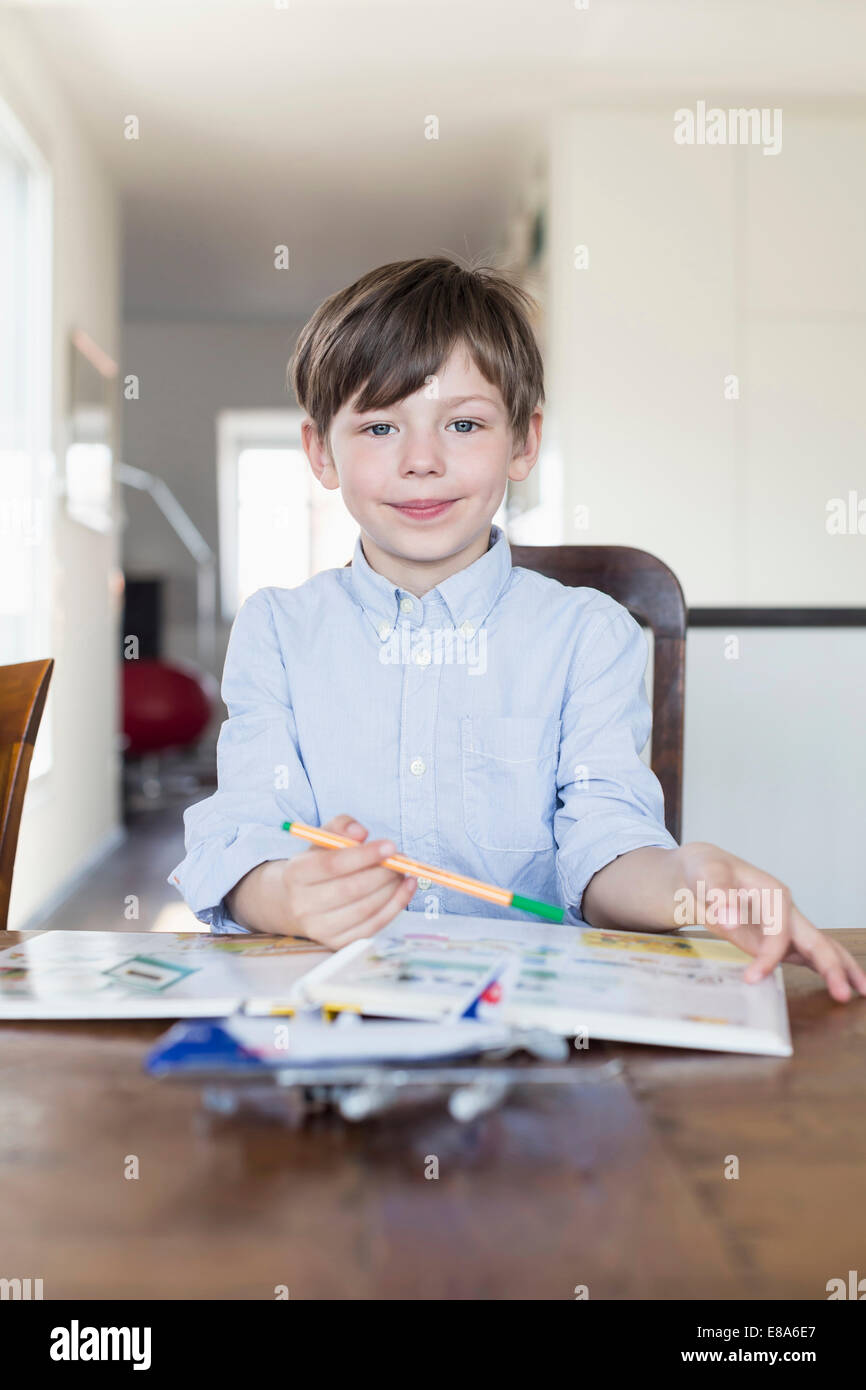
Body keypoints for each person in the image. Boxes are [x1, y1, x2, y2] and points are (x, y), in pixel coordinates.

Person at [169, 255, 864, 1002]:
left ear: (524, 442)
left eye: (464, 423)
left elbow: (606, 850)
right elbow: (240, 833)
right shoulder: (276, 630)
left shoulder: (588, 635)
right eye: (378, 426)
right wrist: (284, 895)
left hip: (535, 1026)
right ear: (319, 451)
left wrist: (687, 881)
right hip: (326, 1007)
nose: (423, 461)